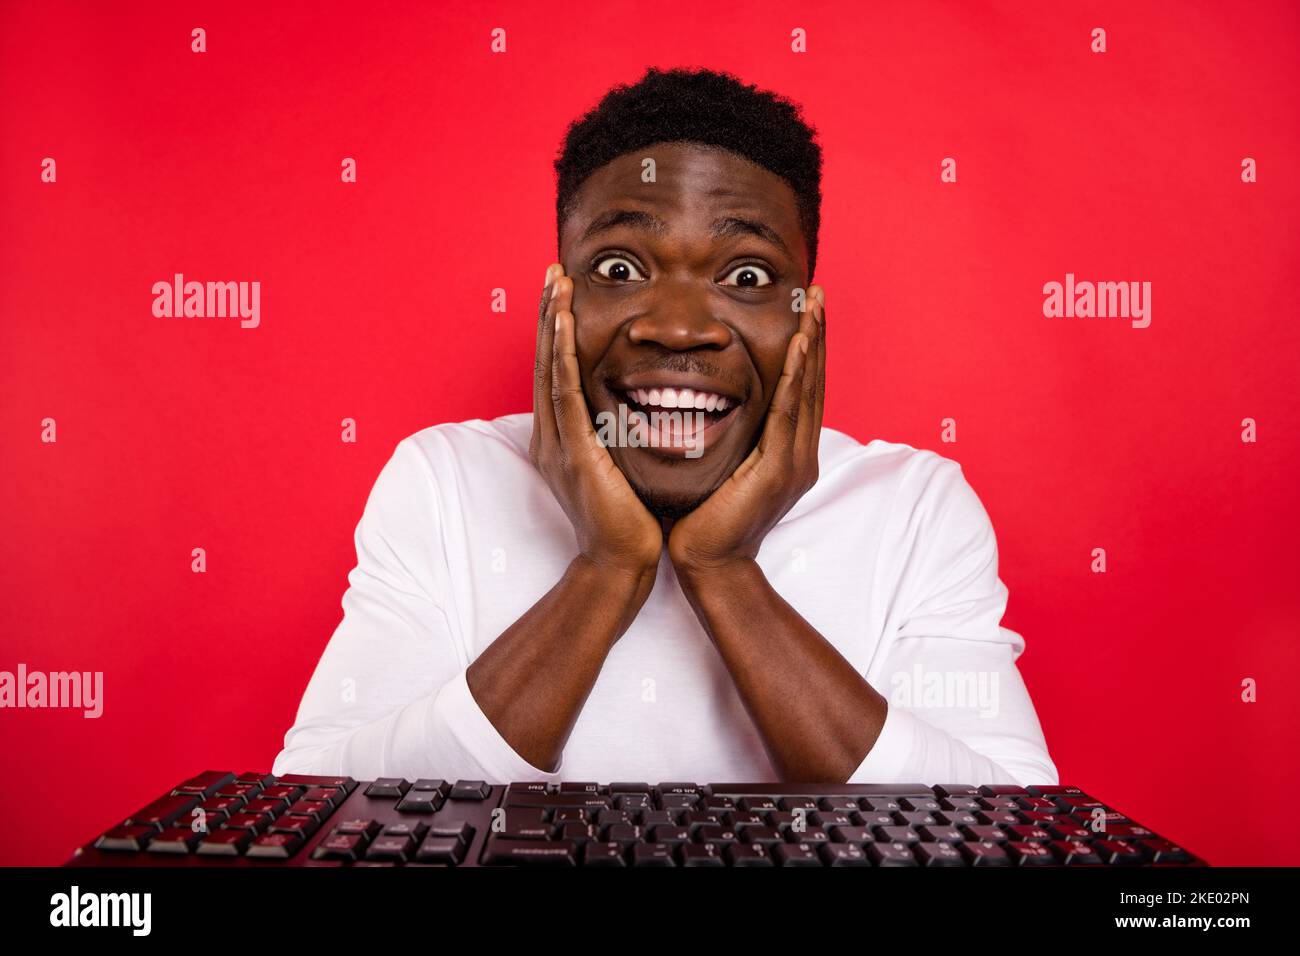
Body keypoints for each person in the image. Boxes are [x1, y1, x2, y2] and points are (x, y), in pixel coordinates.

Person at [273, 67, 1057, 787]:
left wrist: (725, 572)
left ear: (805, 316)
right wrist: (607, 569)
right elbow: (319, 809)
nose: (679, 330)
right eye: (619, 268)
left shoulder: (914, 505)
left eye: (746, 276)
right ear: (558, 299)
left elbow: (1013, 832)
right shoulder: (444, 480)